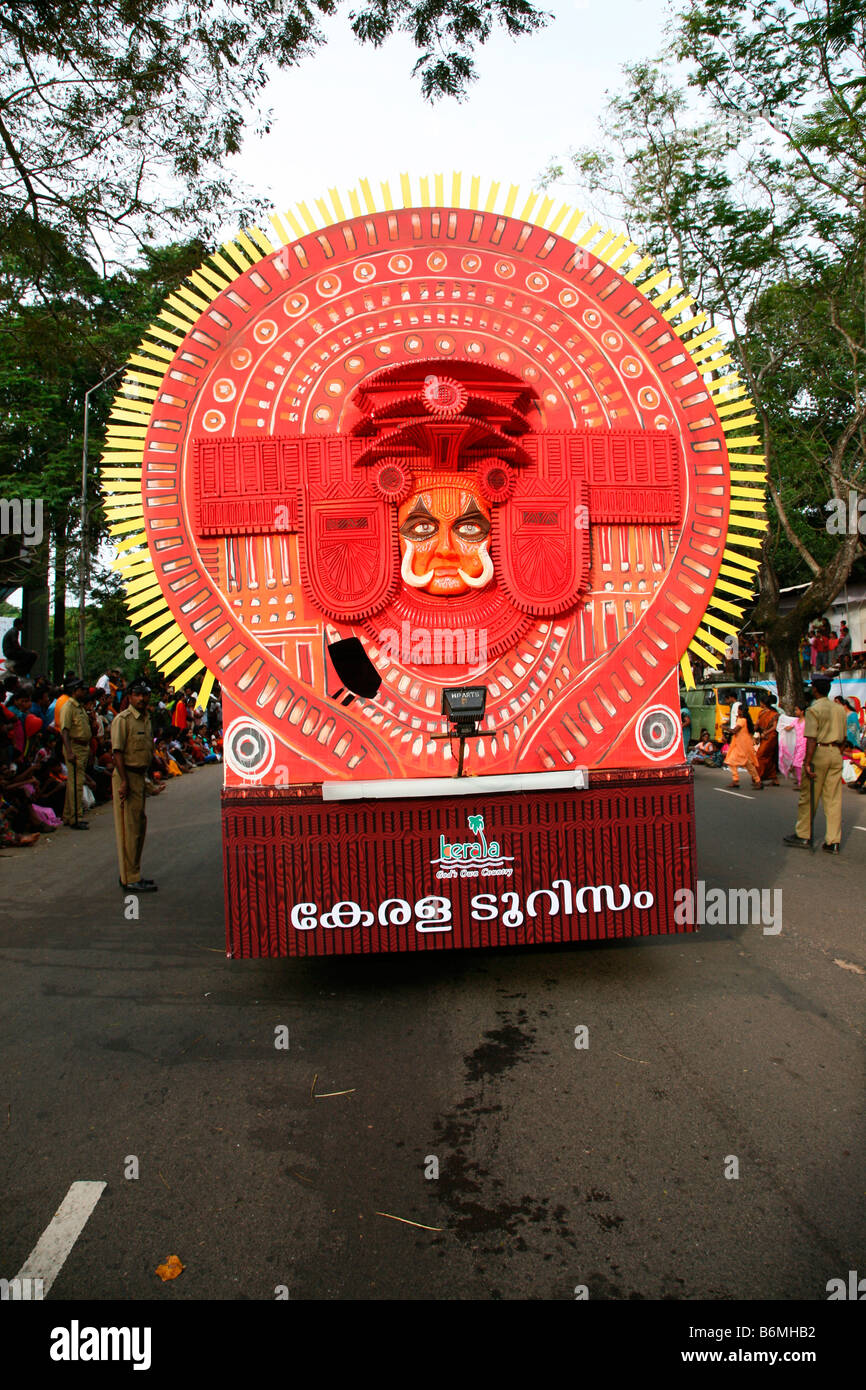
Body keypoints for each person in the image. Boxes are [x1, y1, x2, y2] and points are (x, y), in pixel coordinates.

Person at [783, 674, 848, 853]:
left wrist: (807, 762)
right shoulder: (839, 709)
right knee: (833, 799)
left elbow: (811, 739)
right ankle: (833, 841)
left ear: (815, 689)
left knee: (809, 796)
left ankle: (804, 835)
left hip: (819, 752)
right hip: (835, 752)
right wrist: (836, 753)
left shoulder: (814, 710)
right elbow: (844, 739)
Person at [111, 677, 157, 891]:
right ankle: (129, 878)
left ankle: (134, 872)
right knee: (130, 829)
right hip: (126, 775)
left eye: (144, 694)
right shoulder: (123, 719)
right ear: (129, 697)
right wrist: (124, 782)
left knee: (139, 826)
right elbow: (117, 752)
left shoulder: (146, 718)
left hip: (138, 776)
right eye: (137, 694)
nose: (141, 698)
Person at [59, 678, 92, 828]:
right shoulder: (68, 707)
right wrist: (70, 752)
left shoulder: (80, 707)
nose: (84, 692)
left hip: (83, 747)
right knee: (76, 784)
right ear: (74, 691)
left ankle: (68, 815)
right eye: (81, 689)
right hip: (74, 747)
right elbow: (64, 731)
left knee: (73, 783)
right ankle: (76, 818)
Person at [724, 703, 762, 788]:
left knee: (731, 760)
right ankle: (757, 780)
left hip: (741, 745)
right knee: (747, 764)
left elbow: (734, 731)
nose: (737, 711)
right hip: (744, 744)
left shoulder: (742, 720)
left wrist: (725, 728)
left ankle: (736, 780)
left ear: (740, 711)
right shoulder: (745, 719)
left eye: (738, 709)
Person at [754, 691, 780, 786]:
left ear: (763, 703)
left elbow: (774, 726)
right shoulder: (761, 713)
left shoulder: (773, 714)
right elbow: (757, 724)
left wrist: (765, 732)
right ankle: (773, 777)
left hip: (771, 736)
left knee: (760, 756)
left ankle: (758, 777)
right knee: (768, 757)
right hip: (763, 736)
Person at [778, 704, 806, 787]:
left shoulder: (806, 721)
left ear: (802, 711)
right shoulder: (795, 721)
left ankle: (801, 782)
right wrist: (781, 724)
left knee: (797, 763)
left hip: (804, 744)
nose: (795, 712)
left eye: (797, 710)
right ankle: (800, 781)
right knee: (797, 763)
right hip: (797, 745)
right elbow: (788, 728)